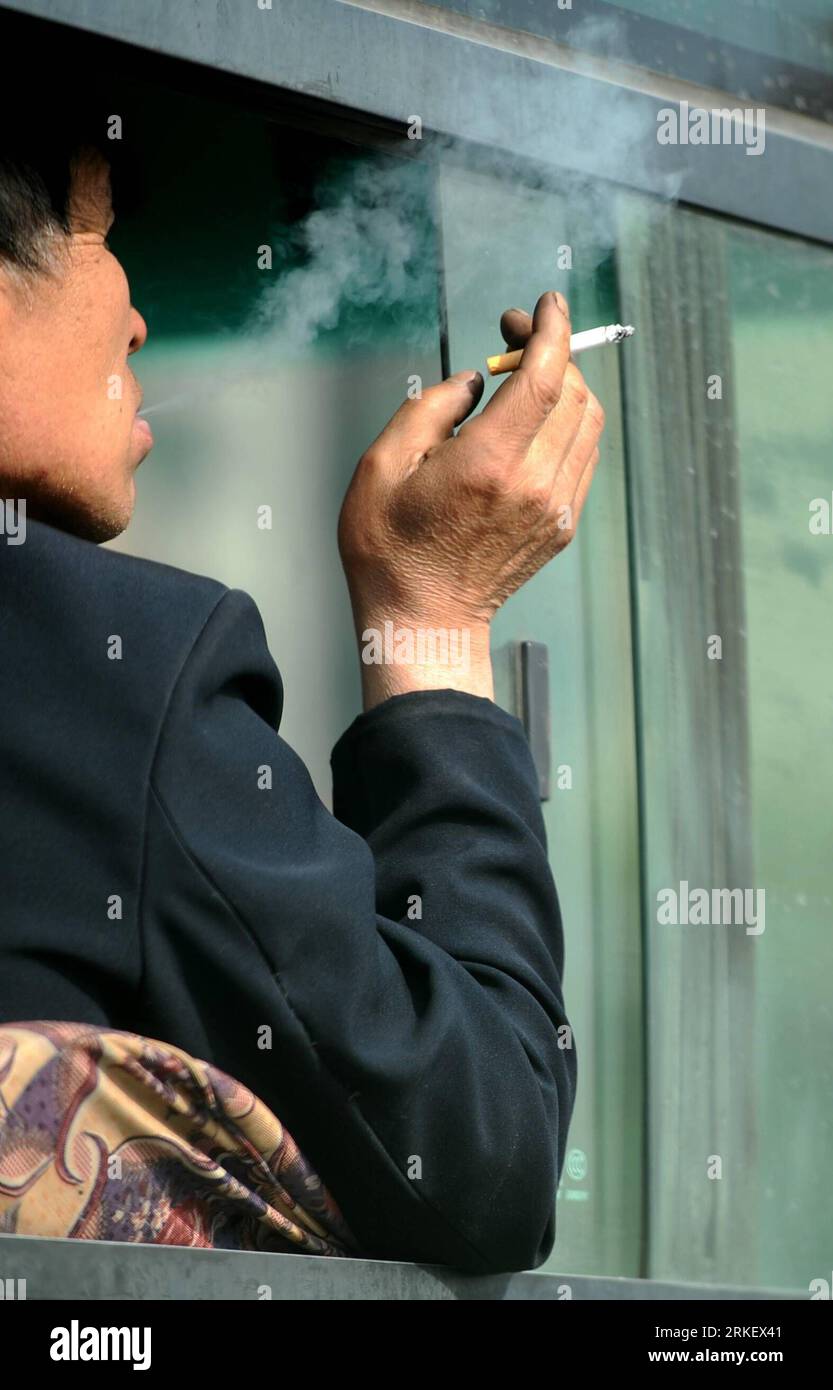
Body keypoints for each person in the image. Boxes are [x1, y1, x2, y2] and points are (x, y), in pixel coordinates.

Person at [0, 102, 605, 1275]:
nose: (135, 318)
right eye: (101, 232)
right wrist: (430, 622)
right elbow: (483, 1158)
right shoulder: (103, 663)